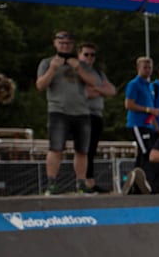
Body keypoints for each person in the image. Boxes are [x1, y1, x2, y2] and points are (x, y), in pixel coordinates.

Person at [35, 31, 102, 194]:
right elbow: (40, 86)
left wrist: (79, 68)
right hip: (58, 110)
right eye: (62, 43)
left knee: (82, 150)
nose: (65, 46)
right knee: (56, 148)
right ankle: (51, 184)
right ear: (55, 43)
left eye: (68, 43)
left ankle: (80, 183)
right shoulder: (46, 62)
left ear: (73, 45)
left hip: (82, 111)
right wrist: (52, 69)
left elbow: (95, 83)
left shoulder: (81, 64)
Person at [79, 42, 116, 193]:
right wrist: (101, 90)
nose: (89, 58)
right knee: (83, 150)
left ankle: (90, 181)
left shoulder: (98, 73)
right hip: (83, 114)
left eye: (92, 55)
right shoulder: (76, 72)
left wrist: (98, 89)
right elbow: (84, 93)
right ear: (79, 55)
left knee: (92, 150)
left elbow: (112, 90)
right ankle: (83, 181)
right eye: (86, 54)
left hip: (97, 115)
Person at [124, 57, 159, 180]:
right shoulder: (134, 84)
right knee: (146, 152)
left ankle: (136, 178)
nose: (148, 70)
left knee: (143, 152)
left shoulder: (150, 86)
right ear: (138, 68)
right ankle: (145, 177)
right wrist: (148, 110)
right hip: (137, 123)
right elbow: (128, 104)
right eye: (145, 67)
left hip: (148, 124)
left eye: (149, 67)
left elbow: (152, 106)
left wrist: (157, 127)